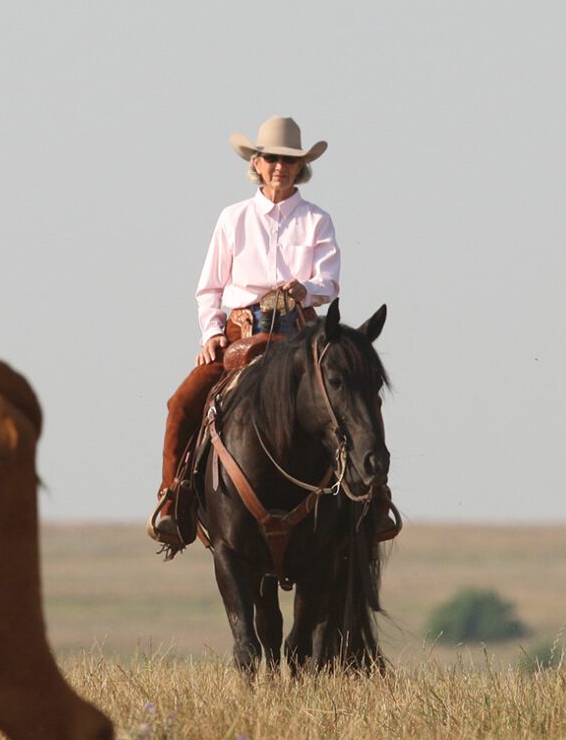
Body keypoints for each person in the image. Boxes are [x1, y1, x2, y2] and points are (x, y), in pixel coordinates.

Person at [149, 114, 397, 551]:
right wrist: (211, 334)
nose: (280, 167)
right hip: (241, 334)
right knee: (182, 403)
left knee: (359, 394)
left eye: (288, 160)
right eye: (271, 159)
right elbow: (209, 288)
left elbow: (329, 282)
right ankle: (173, 500)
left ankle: (375, 498)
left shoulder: (317, 220)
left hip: (299, 334)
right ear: (257, 163)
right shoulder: (233, 218)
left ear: (301, 166)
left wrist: (306, 289)